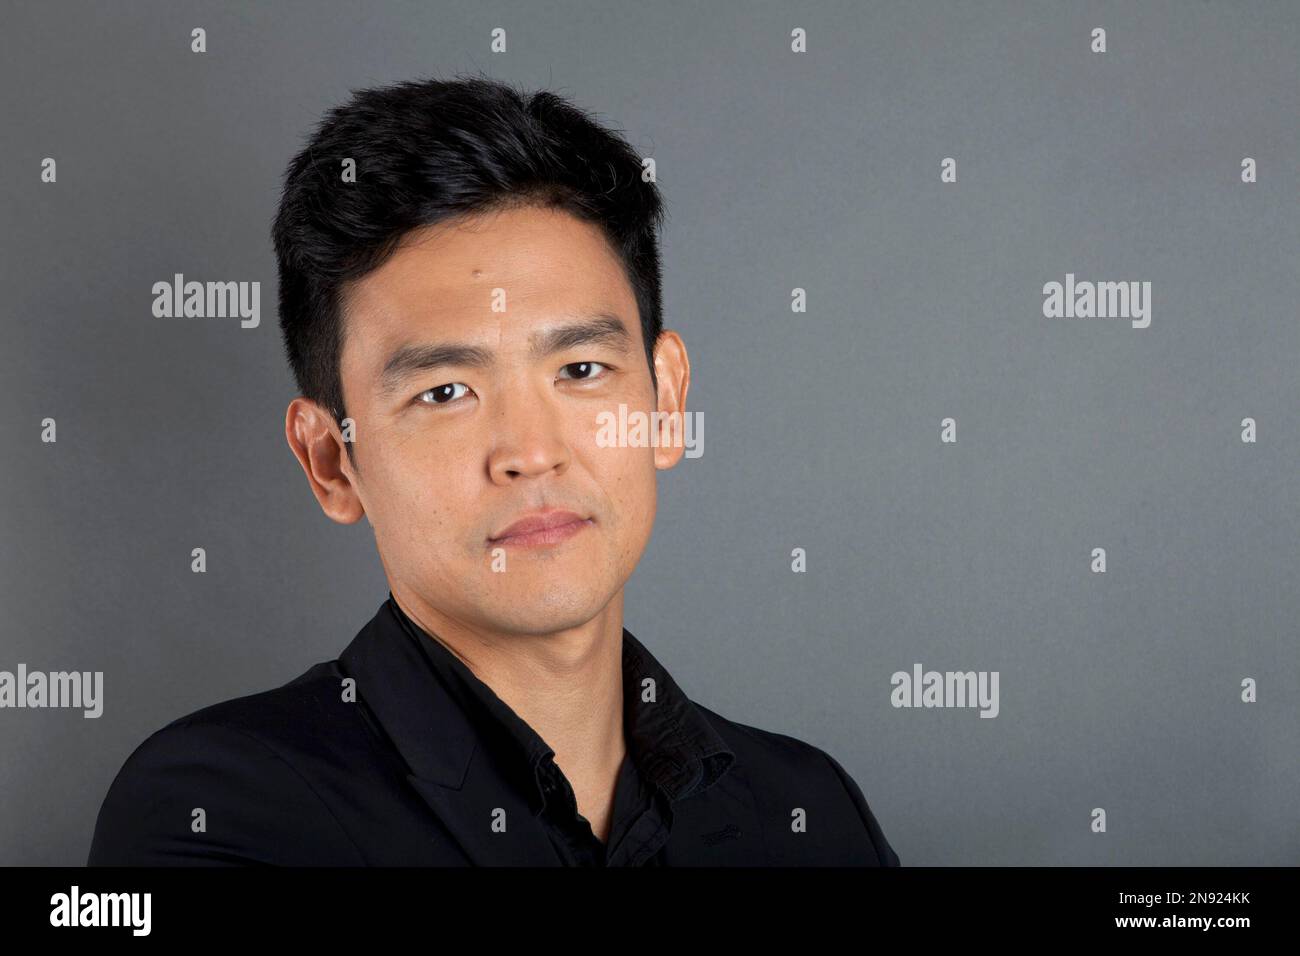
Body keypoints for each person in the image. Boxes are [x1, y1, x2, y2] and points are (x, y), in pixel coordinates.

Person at [87, 74, 899, 866]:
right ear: (331, 461)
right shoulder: (221, 811)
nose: (530, 452)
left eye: (581, 370)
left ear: (667, 401)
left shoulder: (808, 811)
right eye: (446, 391)